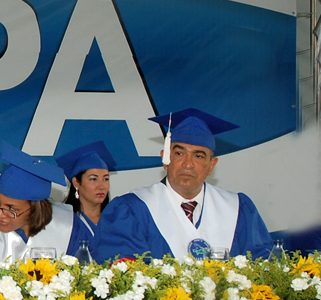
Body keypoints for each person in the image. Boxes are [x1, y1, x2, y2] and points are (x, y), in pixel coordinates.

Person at [91, 109, 272, 261]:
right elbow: (122, 271)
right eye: (179, 153)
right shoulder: (133, 210)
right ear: (165, 158)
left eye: (199, 156)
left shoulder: (238, 209)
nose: (188, 164)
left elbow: (263, 265)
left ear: (212, 165)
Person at [56, 141, 115, 242]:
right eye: (93, 179)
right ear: (76, 182)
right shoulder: (64, 221)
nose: (101, 186)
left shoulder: (116, 219)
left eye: (105, 179)